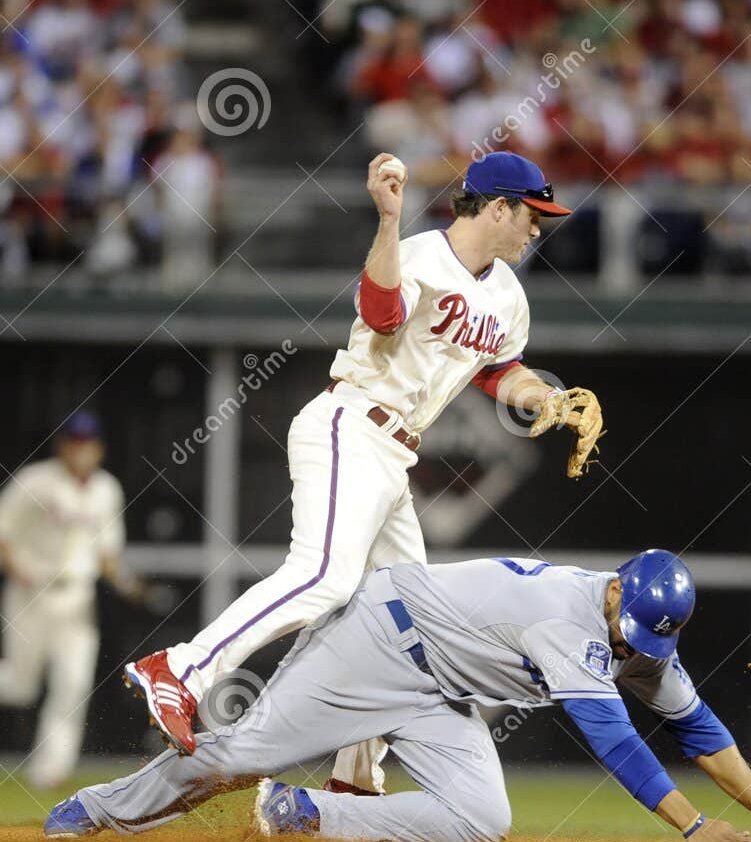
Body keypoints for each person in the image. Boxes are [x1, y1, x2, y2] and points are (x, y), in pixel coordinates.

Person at [124, 150, 604, 801]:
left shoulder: (510, 298)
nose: (537, 228)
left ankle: (354, 778)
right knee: (325, 576)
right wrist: (387, 219)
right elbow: (381, 314)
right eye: (531, 214)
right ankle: (179, 669)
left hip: (397, 455)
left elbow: (499, 371)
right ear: (497, 208)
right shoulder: (420, 254)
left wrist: (541, 396)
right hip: (351, 422)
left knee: (408, 625)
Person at [49, 550, 751, 842]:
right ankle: (97, 808)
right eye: (629, 632)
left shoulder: (639, 640)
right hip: (377, 640)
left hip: (437, 690)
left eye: (646, 645)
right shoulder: (566, 613)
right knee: (244, 750)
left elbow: (699, 728)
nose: (634, 651)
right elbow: (618, 742)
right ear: (620, 585)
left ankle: (304, 813)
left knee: (482, 818)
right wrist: (693, 825)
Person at [0, 411, 149, 789]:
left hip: (77, 597)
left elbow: (108, 555)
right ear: (63, 446)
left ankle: (49, 774)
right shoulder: (36, 480)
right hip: (30, 593)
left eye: (88, 443)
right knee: (21, 685)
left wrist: (128, 585)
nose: (81, 450)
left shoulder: (106, 490)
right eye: (75, 442)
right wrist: (17, 568)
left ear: (99, 449)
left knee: (73, 685)